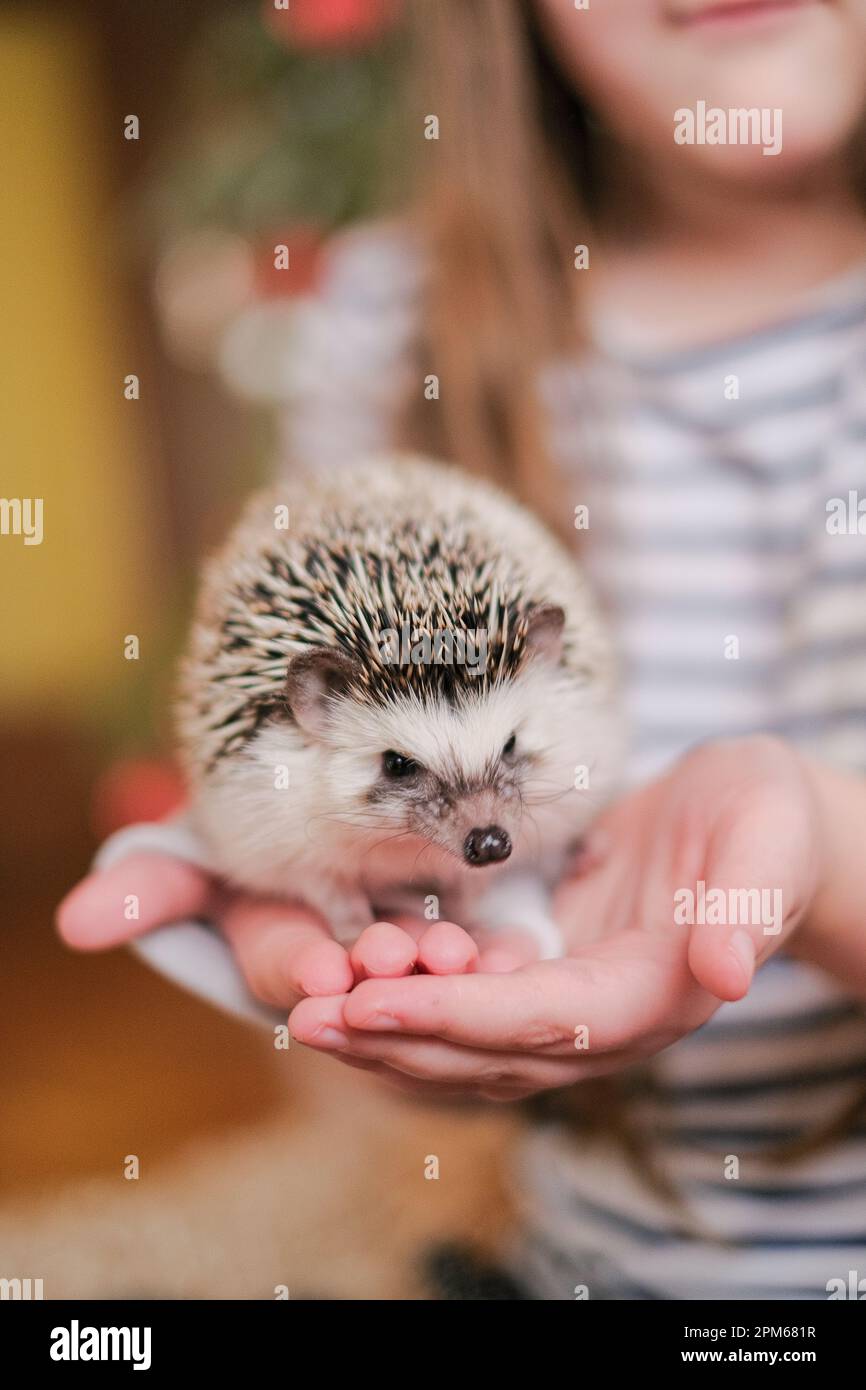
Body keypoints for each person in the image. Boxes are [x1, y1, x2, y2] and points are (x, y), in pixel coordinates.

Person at [59, 0, 866, 1299]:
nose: (483, 829)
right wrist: (352, 946)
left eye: (501, 760)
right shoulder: (391, 316)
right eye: (405, 774)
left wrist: (824, 861)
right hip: (567, 1258)